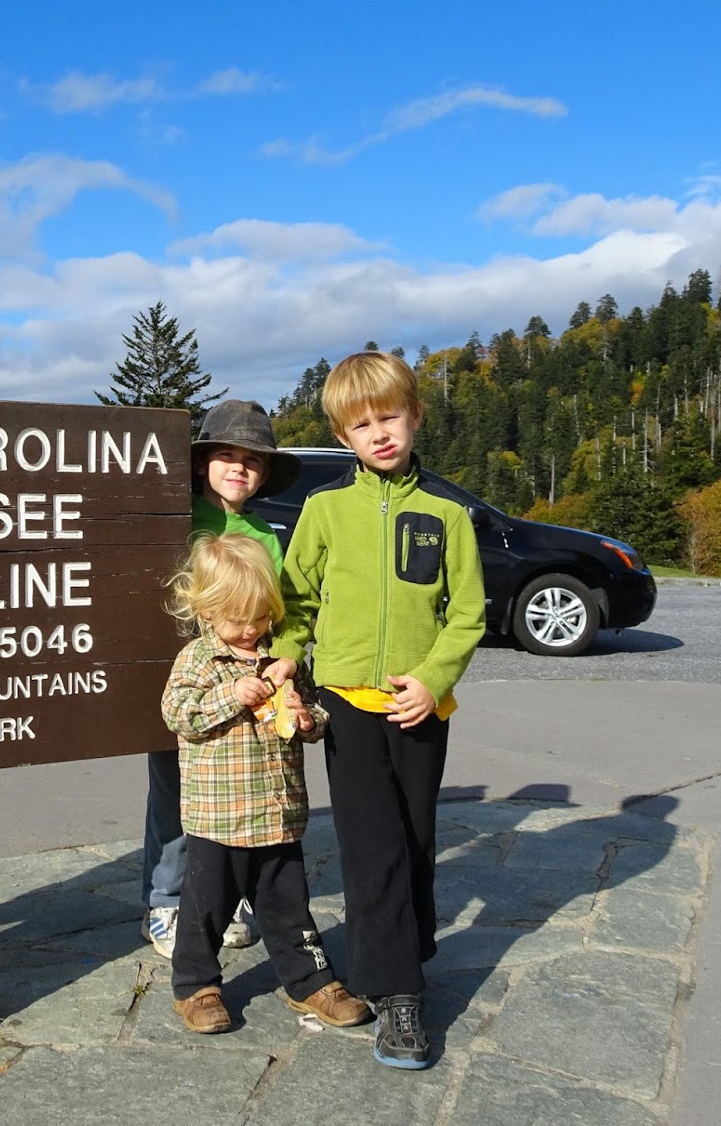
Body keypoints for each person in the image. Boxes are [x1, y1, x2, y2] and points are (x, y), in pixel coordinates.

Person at [264, 350, 485, 1069]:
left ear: (415, 415)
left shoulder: (447, 515)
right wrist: (290, 658)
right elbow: (294, 601)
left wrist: (432, 679)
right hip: (348, 705)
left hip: (422, 709)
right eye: (361, 426)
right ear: (342, 438)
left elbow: (469, 615)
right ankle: (401, 999)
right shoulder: (324, 512)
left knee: (415, 840)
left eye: (390, 417)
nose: (379, 434)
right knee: (371, 847)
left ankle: (397, 956)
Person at [160, 533, 372, 1034]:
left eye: (261, 618)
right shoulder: (199, 660)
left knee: (288, 905)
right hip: (220, 815)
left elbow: (319, 712)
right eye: (238, 620)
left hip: (277, 812)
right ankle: (196, 986)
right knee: (206, 906)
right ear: (208, 612)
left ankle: (310, 981)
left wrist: (306, 719)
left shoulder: (281, 659)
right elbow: (178, 714)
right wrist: (231, 694)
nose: (251, 630)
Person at [141, 400, 303, 959]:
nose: (239, 468)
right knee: (173, 794)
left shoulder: (265, 533)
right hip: (186, 678)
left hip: (245, 684)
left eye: (252, 461)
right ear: (203, 461)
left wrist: (283, 662)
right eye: (226, 456)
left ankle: (226, 900)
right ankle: (165, 901)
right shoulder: (175, 513)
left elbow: (278, 610)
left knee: (235, 796)